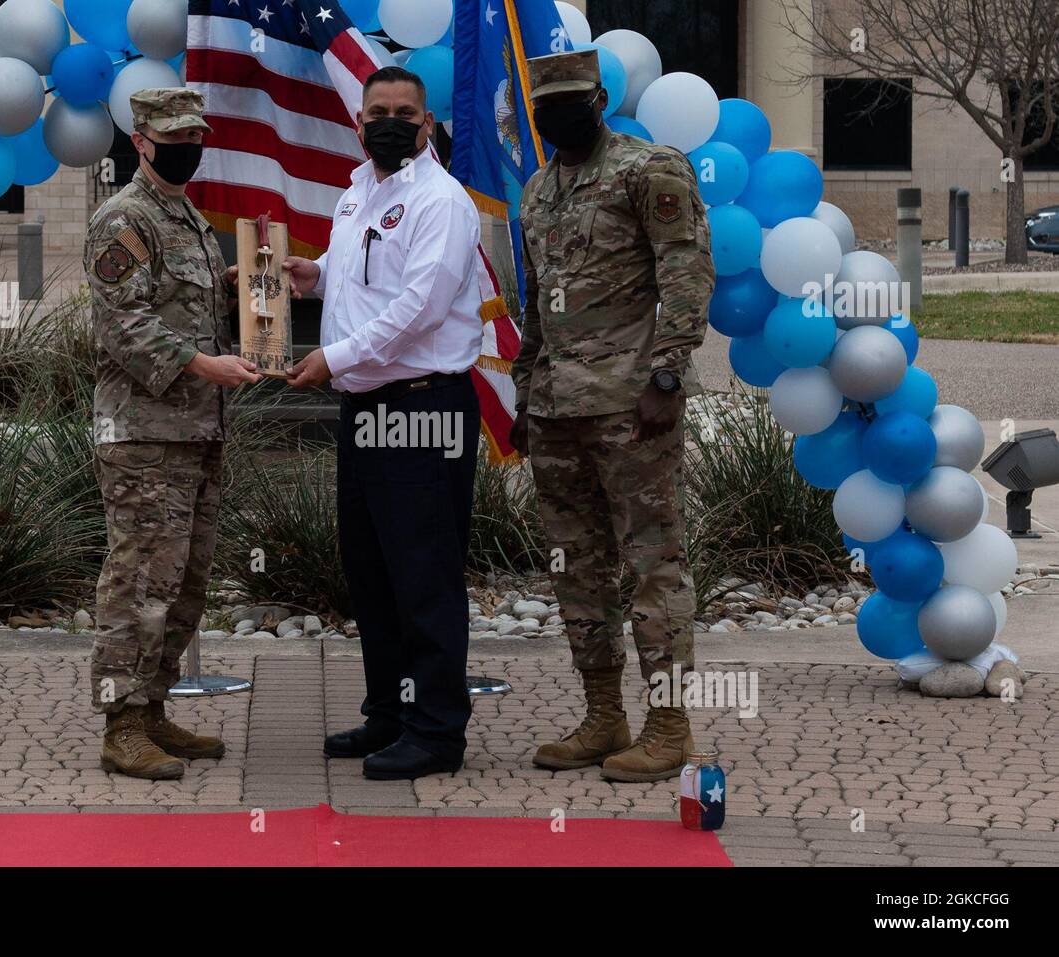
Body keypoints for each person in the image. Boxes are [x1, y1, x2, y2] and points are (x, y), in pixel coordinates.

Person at [511, 50, 715, 782]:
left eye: (571, 100)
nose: (558, 114)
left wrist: (668, 370)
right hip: (556, 410)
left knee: (653, 563)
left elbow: (687, 270)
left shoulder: (648, 168)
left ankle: (668, 725)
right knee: (577, 567)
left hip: (632, 404)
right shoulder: (537, 191)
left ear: (599, 99)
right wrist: (523, 390)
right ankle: (604, 715)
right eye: (545, 105)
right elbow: (536, 305)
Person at [282, 66, 483, 781]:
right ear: (360, 121)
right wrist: (316, 275)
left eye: (405, 111)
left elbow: (419, 308)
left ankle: (436, 731)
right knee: (372, 568)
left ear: (426, 125)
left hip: (424, 407)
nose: (390, 121)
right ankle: (391, 712)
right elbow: (361, 277)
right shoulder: (357, 191)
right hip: (366, 409)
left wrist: (331, 357)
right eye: (379, 111)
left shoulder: (442, 200)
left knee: (424, 572)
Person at [86, 87, 261, 780]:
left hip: (196, 427)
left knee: (184, 580)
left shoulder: (183, 214)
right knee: (138, 580)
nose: (189, 147)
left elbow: (175, 298)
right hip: (145, 434)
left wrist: (236, 282)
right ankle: (120, 722)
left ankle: (152, 707)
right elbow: (123, 323)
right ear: (141, 139)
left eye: (196, 135)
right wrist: (202, 364)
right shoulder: (123, 217)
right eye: (175, 136)